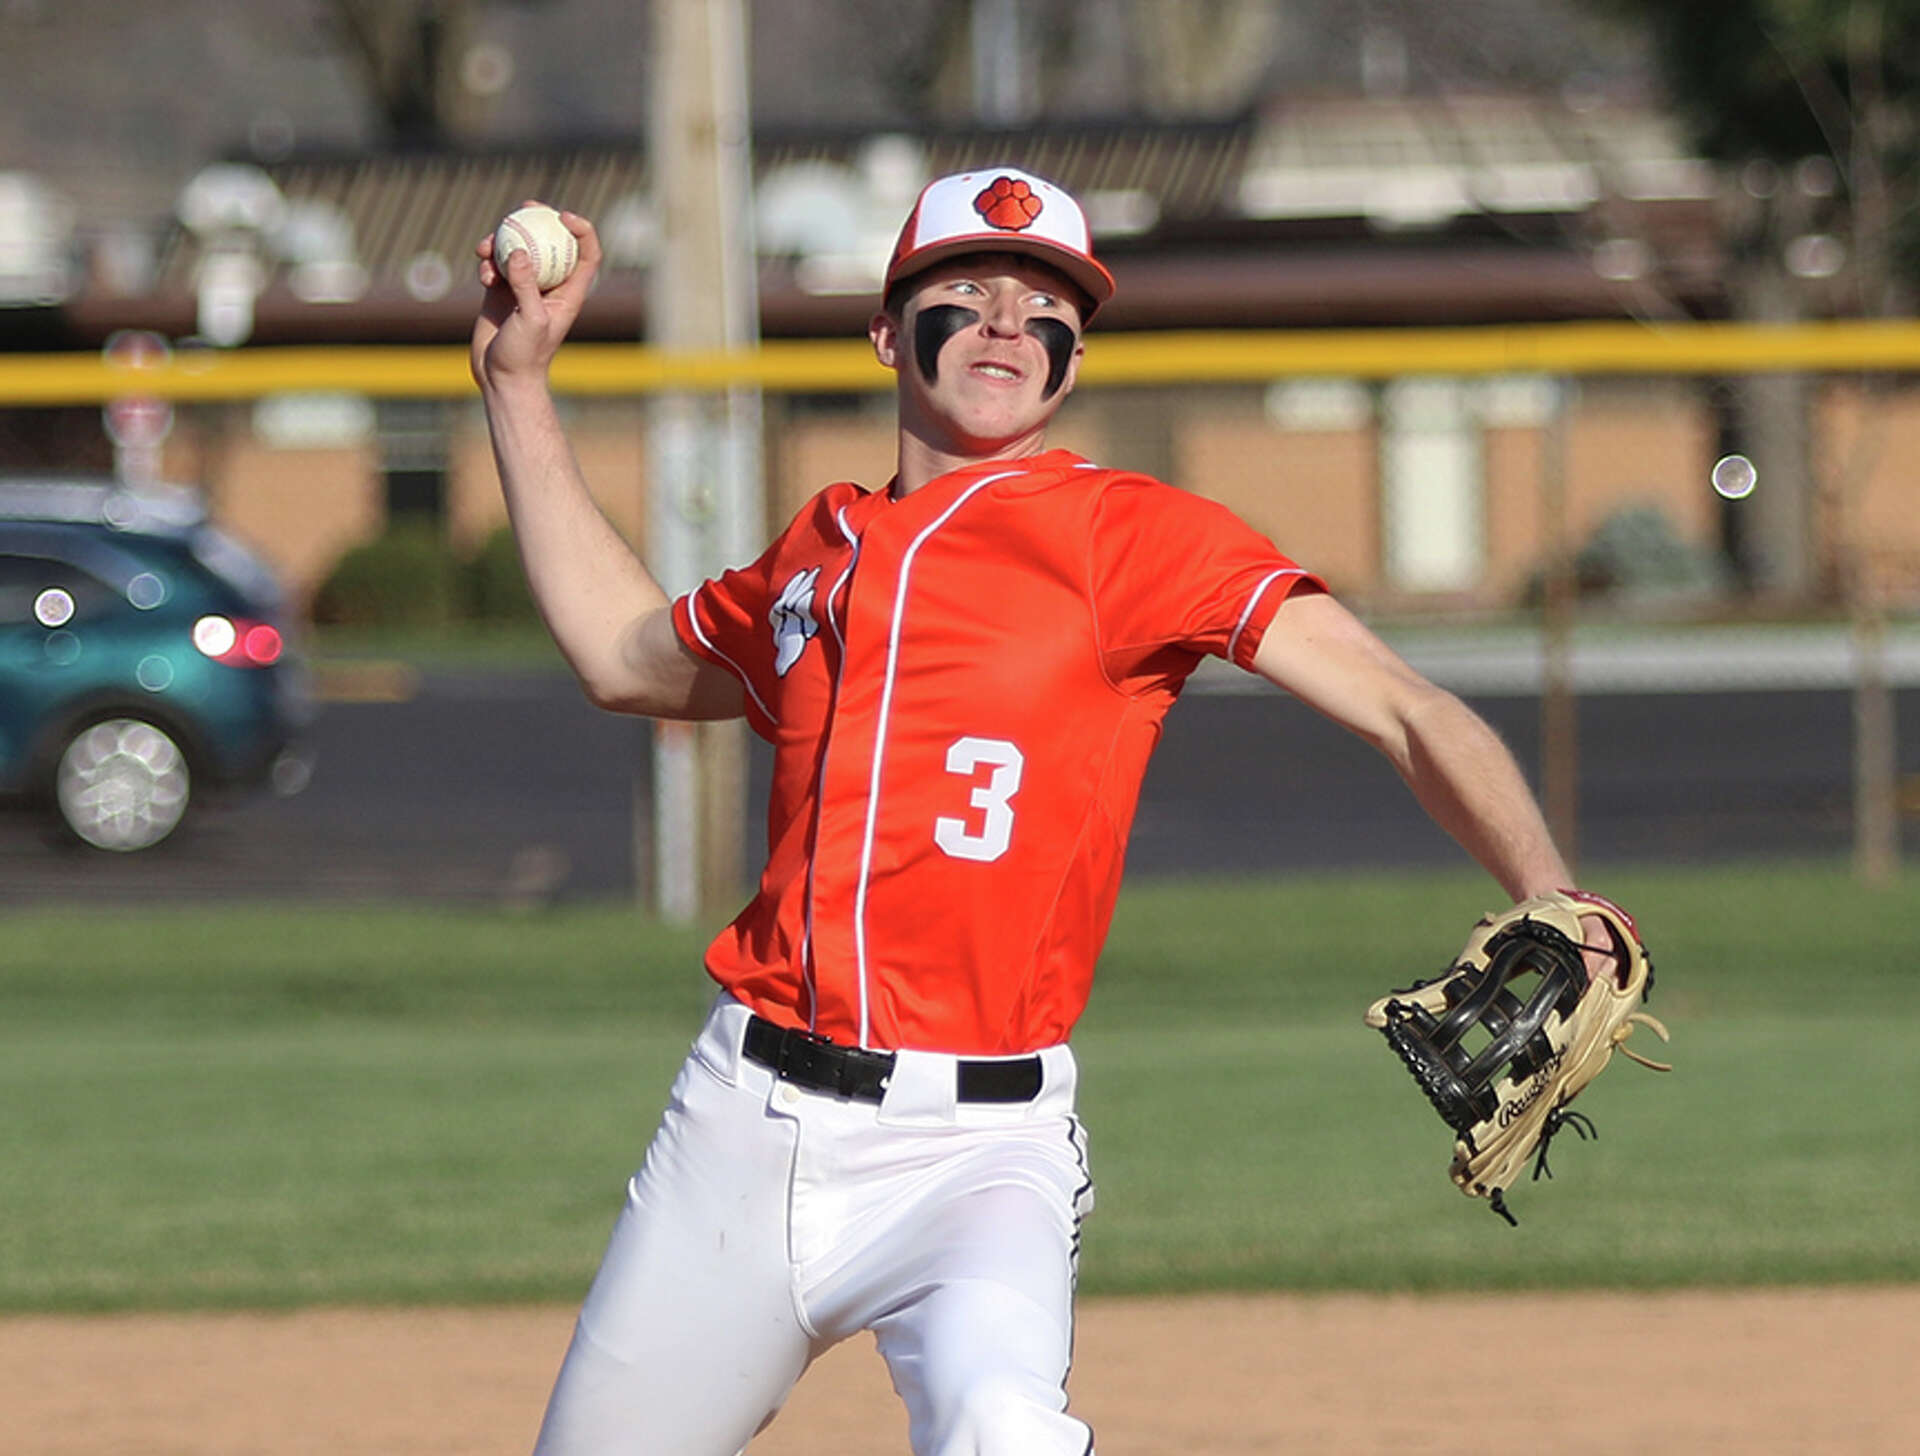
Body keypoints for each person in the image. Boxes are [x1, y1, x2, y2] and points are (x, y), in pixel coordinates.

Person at [471, 166, 1616, 1456]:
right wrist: (515, 385)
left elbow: (1405, 706)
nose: (1008, 321)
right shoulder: (816, 553)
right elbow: (625, 659)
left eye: (1046, 301)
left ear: (1076, 354)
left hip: (981, 1154)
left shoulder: (1134, 537)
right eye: (965, 290)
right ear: (886, 331)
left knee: (999, 1433)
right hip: (742, 1128)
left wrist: (1549, 888)